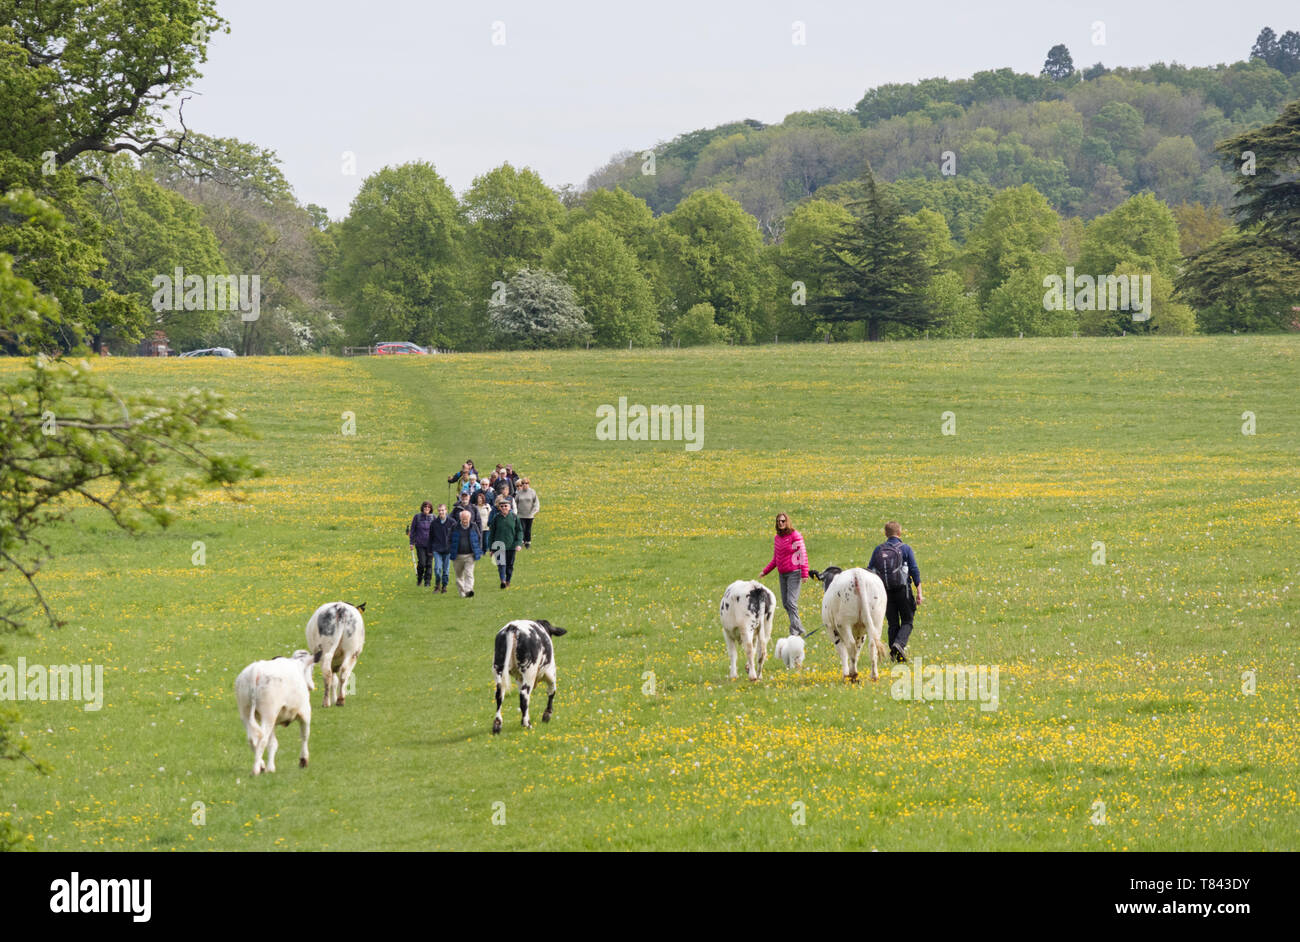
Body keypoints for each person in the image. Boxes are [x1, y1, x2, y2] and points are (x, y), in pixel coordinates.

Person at [867, 520, 923, 662]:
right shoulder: (905, 549)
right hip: (902, 590)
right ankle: (899, 645)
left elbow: (870, 570)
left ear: (885, 534)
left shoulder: (878, 550)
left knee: (892, 623)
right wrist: (919, 592)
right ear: (899, 532)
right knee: (907, 620)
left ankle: (895, 655)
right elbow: (914, 570)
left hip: (885, 591)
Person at [760, 512, 809, 636]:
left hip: (794, 573)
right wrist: (765, 571)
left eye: (783, 521)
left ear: (787, 522)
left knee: (791, 602)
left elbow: (802, 554)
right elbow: (776, 559)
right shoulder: (777, 538)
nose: (780, 523)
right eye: (778, 521)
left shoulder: (795, 535)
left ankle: (799, 629)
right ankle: (795, 631)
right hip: (782, 574)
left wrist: (804, 573)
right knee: (786, 604)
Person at [487, 495, 524, 588]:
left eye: (506, 506)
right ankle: (502, 581)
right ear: (499, 507)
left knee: (509, 565)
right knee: (501, 565)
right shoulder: (496, 518)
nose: (504, 508)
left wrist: (519, 543)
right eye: (502, 506)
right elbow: (492, 533)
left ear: (510, 507)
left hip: (511, 546)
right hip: (498, 545)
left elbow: (519, 531)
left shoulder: (515, 517)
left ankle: (508, 580)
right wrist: (491, 548)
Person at [449, 508, 482, 597]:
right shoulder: (454, 527)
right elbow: (449, 539)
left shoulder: (474, 526)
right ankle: (462, 592)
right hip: (458, 556)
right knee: (459, 576)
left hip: (470, 555)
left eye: (466, 519)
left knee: (469, 573)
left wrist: (478, 550)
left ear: (469, 518)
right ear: (460, 519)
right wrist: (450, 550)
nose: (465, 521)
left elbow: (479, 538)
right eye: (463, 519)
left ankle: (468, 590)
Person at [407, 501, 435, 587]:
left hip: (431, 545)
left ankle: (427, 581)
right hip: (420, 544)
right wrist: (411, 543)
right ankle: (419, 578)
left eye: (428, 507)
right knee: (422, 563)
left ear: (430, 509)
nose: (427, 509)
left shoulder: (433, 517)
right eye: (425, 507)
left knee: (429, 563)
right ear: (422, 508)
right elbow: (412, 530)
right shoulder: (417, 517)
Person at [429, 503, 454, 593]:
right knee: (437, 569)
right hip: (437, 550)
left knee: (446, 571)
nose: (441, 512)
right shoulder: (434, 523)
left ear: (446, 511)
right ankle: (437, 584)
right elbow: (430, 537)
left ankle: (444, 586)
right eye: (439, 511)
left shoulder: (452, 522)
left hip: (448, 550)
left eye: (442, 510)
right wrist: (430, 550)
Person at [514, 477, 540, 548]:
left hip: (530, 514)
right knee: (522, 528)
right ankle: (522, 541)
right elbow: (515, 502)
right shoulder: (519, 493)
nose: (524, 485)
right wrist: (515, 511)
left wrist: (535, 510)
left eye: (526, 483)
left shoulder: (532, 492)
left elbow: (536, 502)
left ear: (529, 484)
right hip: (521, 514)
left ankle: (528, 542)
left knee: (528, 530)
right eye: (523, 483)